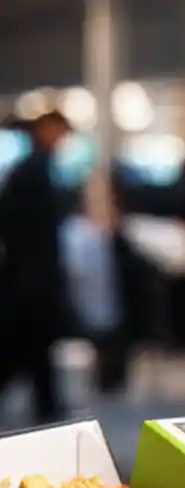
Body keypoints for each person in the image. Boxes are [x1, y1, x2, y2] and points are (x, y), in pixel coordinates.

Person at [0, 112, 79, 422]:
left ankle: (47, 404)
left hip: (30, 275)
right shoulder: (33, 170)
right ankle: (47, 405)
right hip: (32, 277)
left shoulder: (33, 168)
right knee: (29, 344)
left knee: (31, 347)